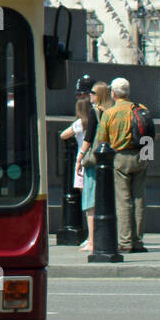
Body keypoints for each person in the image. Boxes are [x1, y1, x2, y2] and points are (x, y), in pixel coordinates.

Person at [93, 77, 148, 252]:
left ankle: (125, 242)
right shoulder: (141, 109)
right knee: (139, 200)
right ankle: (138, 240)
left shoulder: (110, 113)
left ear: (114, 93)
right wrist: (147, 158)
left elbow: (102, 140)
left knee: (124, 201)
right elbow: (151, 135)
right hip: (141, 156)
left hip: (120, 158)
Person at [61, 96, 98, 251]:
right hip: (95, 161)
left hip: (82, 163)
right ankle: (93, 237)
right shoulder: (95, 122)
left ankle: (91, 238)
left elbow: (63, 135)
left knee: (88, 203)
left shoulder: (79, 124)